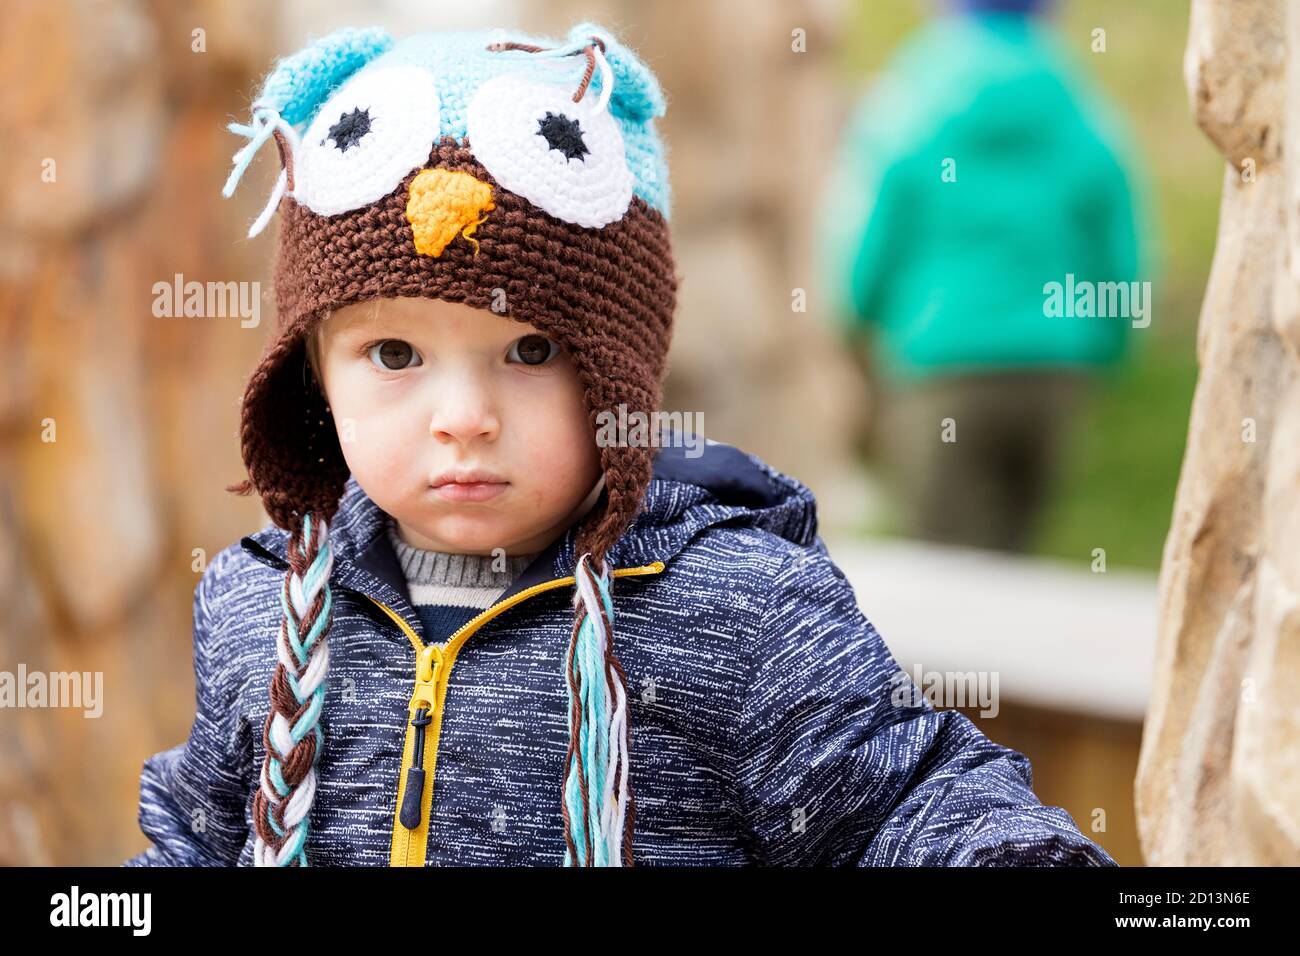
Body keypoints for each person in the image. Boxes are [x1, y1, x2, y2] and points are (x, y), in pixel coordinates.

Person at [125, 21, 1115, 866]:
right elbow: (199, 832)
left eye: (529, 349)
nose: (461, 414)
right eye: (394, 351)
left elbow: (904, 799)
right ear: (311, 377)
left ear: (619, 372)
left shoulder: (733, 609)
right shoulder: (265, 604)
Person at [819, 0, 1145, 551]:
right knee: (1014, 559)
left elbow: (871, 235)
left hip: (940, 367)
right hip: (1054, 371)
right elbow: (1118, 244)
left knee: (949, 570)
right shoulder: (1080, 102)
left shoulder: (912, 99)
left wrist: (854, 326)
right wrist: (1108, 346)